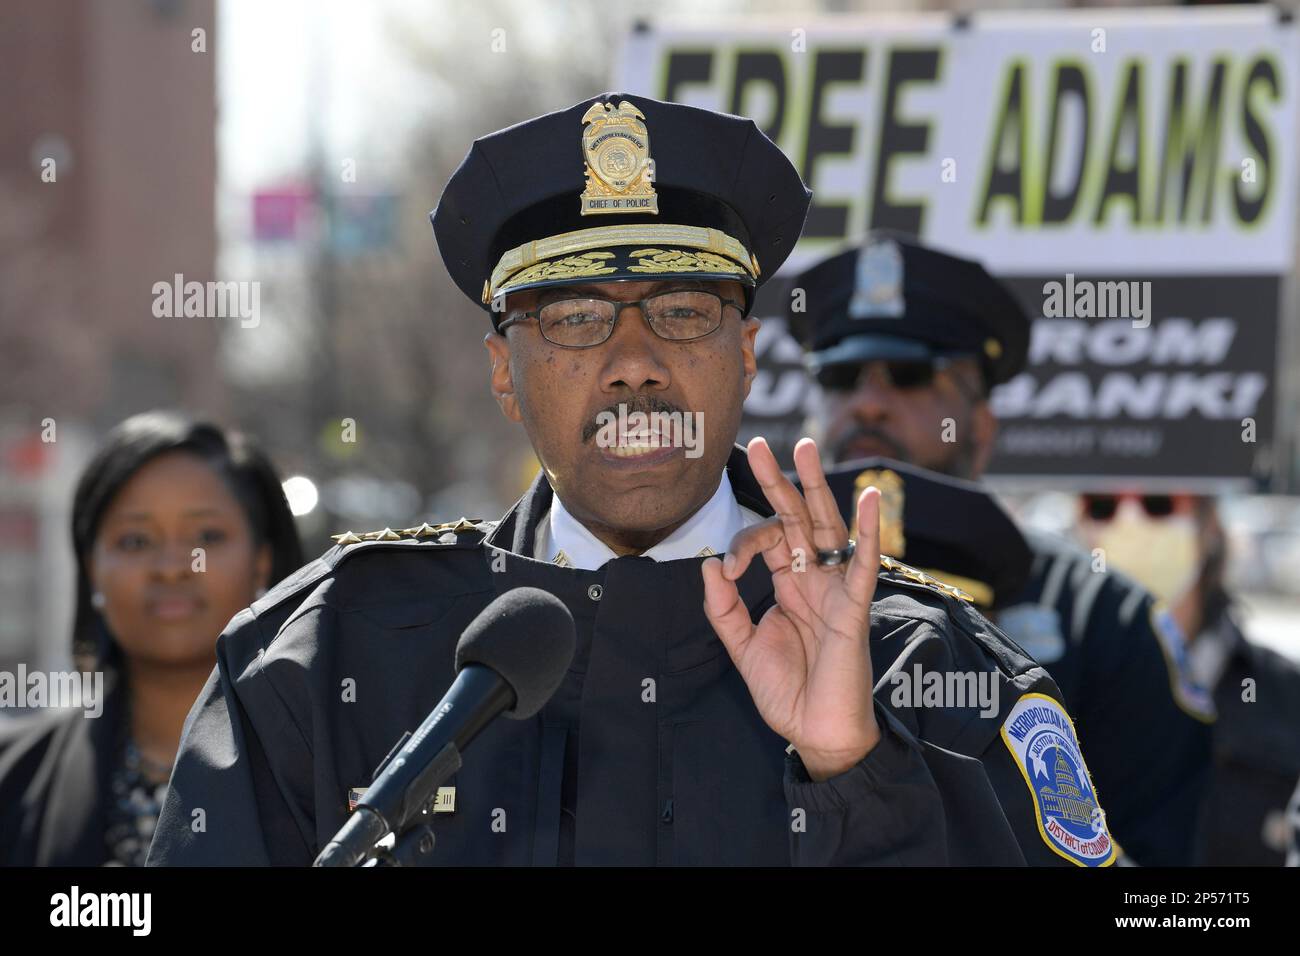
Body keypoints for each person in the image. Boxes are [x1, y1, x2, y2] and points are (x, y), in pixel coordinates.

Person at [147, 94, 1116, 867]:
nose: (634, 360)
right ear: (501, 370)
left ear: (745, 353)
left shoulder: (918, 658)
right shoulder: (323, 654)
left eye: (684, 310)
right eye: (572, 318)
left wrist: (851, 774)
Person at [788, 231, 1212, 865]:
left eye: (910, 375)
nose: (869, 403)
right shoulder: (746, 595)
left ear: (981, 426)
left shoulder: (1104, 621)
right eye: (841, 376)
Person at [0, 411, 304, 865]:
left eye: (206, 535)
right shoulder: (13, 778)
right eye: (136, 541)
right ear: (91, 568)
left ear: (262, 561)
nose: (171, 566)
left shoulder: (349, 776)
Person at [1077, 492, 1300, 865]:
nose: (1130, 524)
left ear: (1208, 523)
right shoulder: (1044, 693)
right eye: (1103, 505)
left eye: (1158, 503)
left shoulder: (1288, 695)